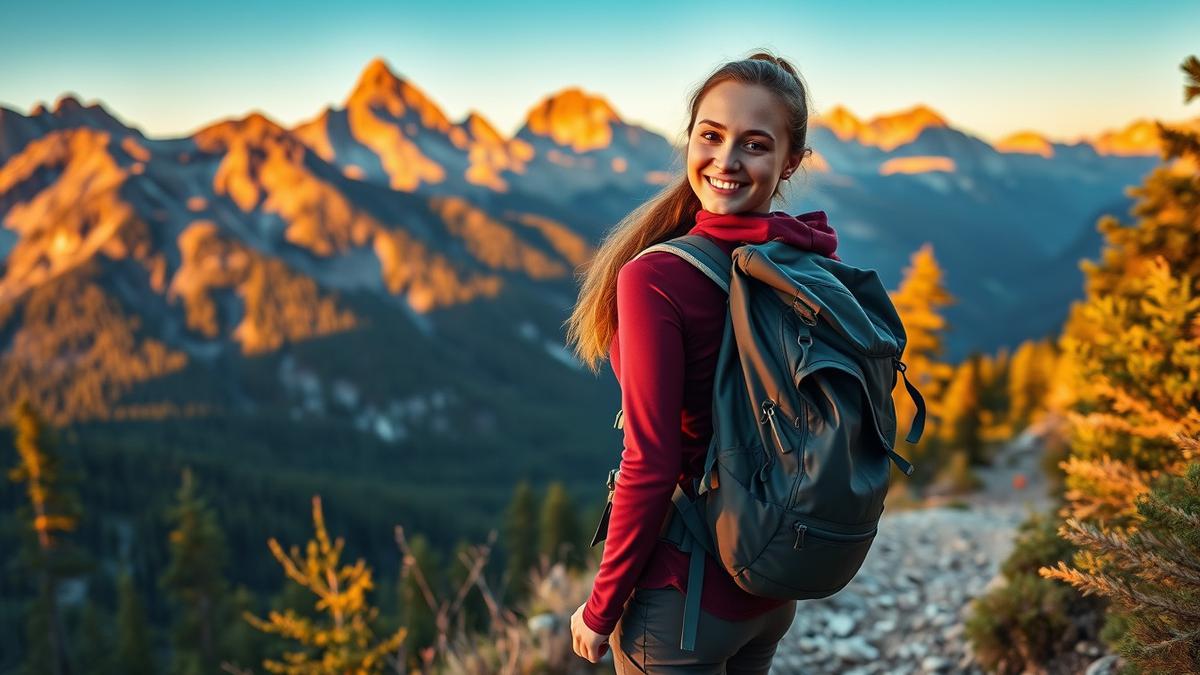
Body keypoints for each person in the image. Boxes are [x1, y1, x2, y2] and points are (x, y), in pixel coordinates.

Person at [564, 49, 841, 673]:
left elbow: (650, 463)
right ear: (688, 137)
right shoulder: (804, 259)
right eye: (711, 136)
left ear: (790, 161)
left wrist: (601, 608)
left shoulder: (656, 277)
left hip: (683, 602)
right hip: (769, 581)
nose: (726, 160)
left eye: (755, 144)